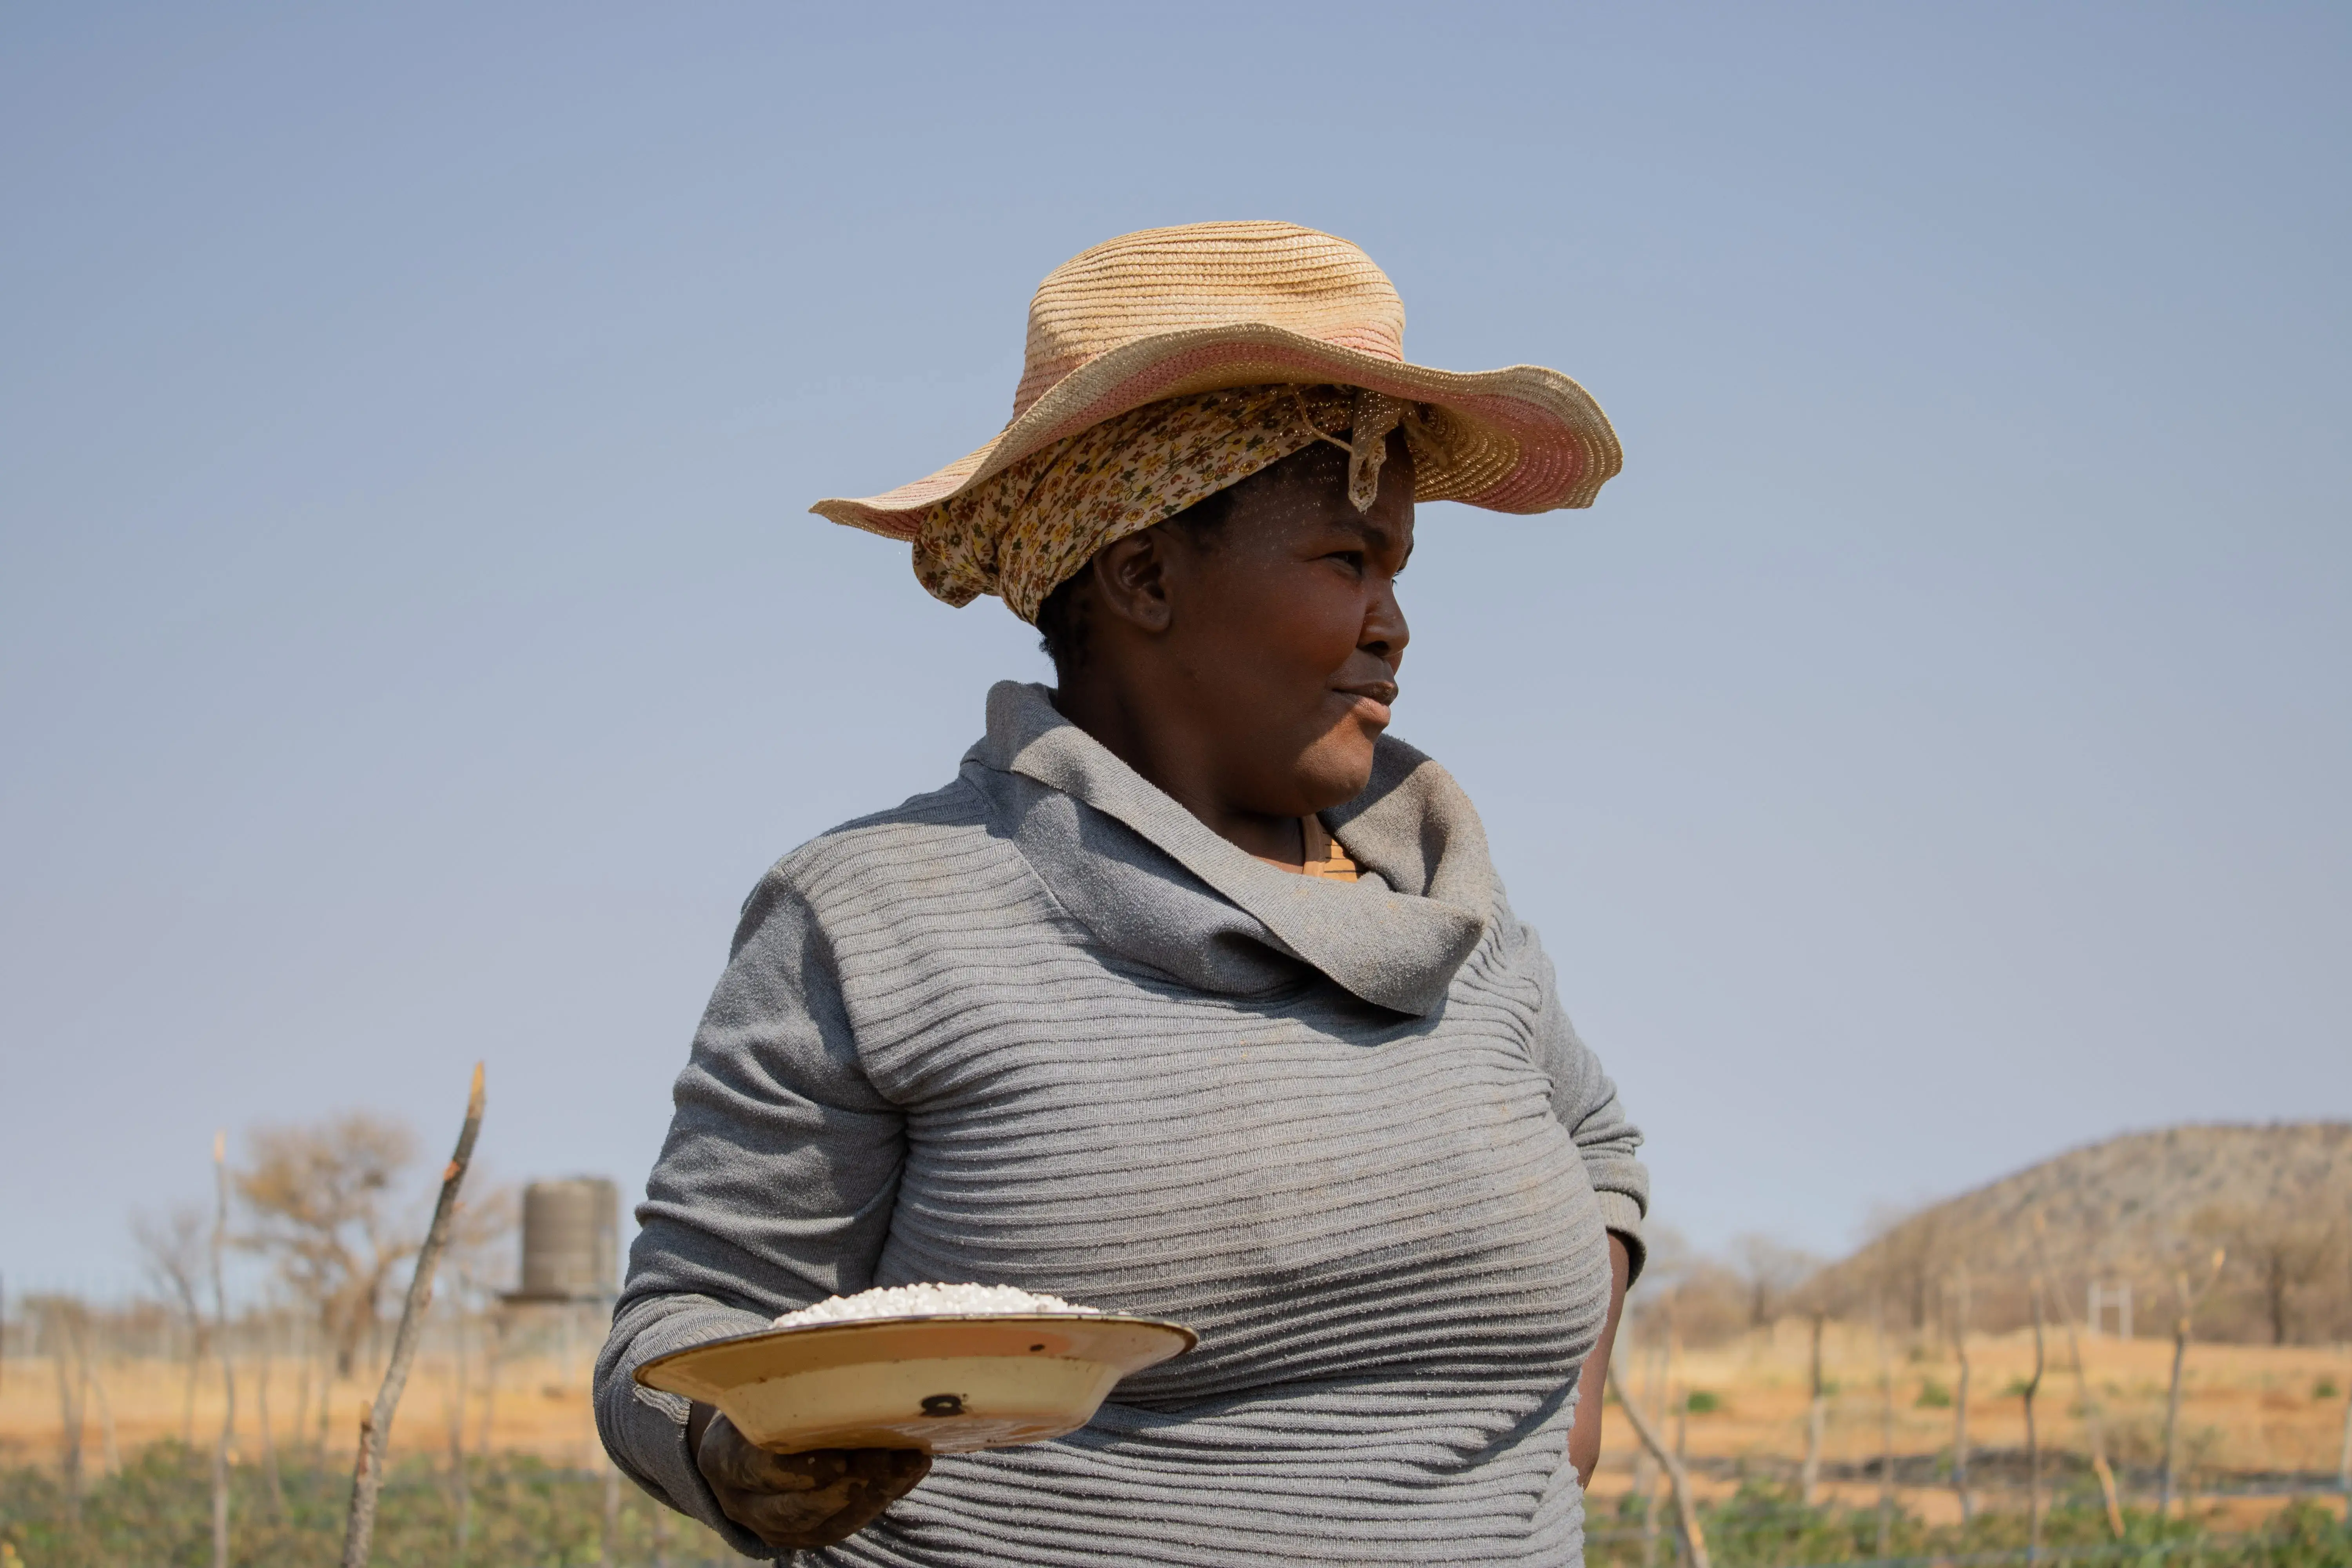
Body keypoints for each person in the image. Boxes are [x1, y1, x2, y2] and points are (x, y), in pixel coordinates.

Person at [595, 221, 1649, 1566]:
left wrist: (1567, 1411)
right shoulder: (881, 918)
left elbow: (1602, 1152)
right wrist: (744, 1457)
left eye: (1396, 567)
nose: (1393, 621)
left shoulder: (1452, 915)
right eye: (1345, 560)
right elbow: (685, 1327)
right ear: (1145, 574)